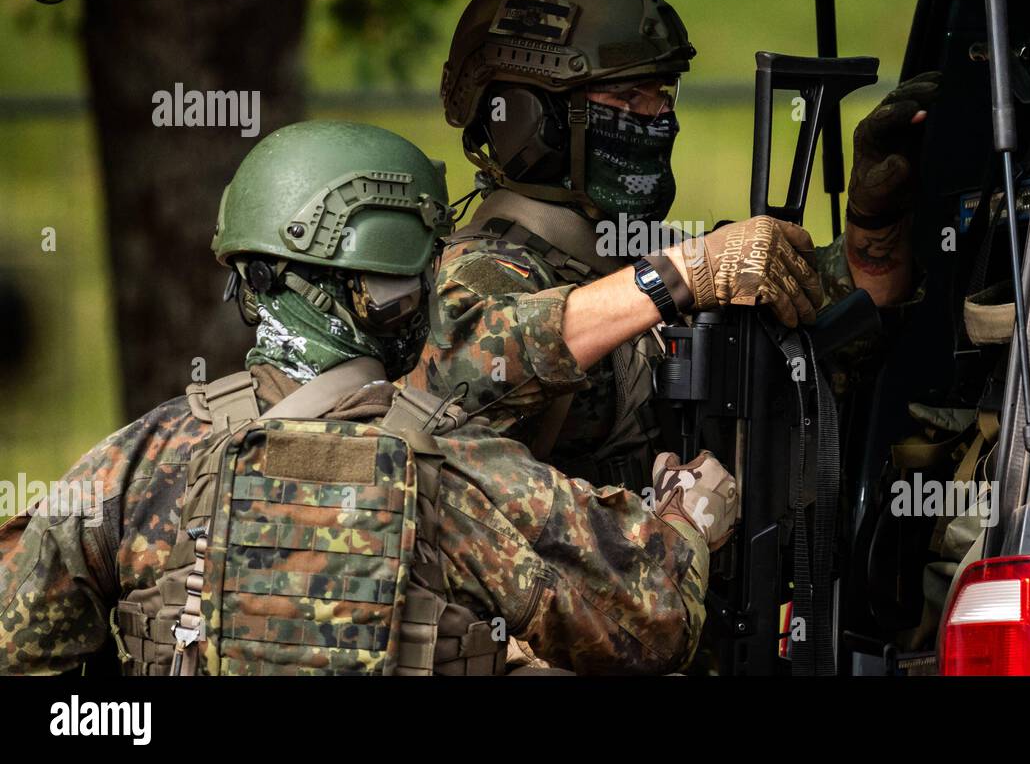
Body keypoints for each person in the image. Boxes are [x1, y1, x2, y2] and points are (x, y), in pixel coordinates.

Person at [0, 119, 736, 676]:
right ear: (390, 297)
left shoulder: (141, 462)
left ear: (248, 282)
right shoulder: (462, 469)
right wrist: (688, 519)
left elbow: (19, 638)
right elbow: (652, 623)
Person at [408, 0, 939, 490]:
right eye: (628, 97)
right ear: (531, 119)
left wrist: (875, 222)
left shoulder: (655, 256)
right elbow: (456, 375)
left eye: (663, 93)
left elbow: (856, 308)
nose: (660, 116)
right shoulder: (480, 269)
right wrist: (683, 272)